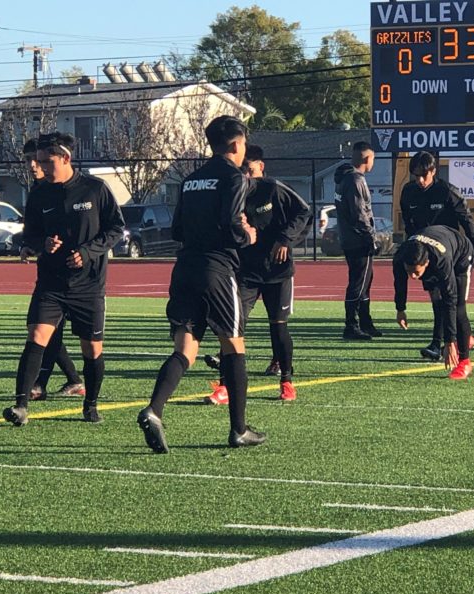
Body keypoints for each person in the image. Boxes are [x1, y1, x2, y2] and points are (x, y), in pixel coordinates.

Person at [137, 116, 264, 454]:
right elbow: (233, 221)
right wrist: (247, 234)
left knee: (185, 349)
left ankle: (154, 409)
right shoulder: (235, 177)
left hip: (185, 268)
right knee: (233, 346)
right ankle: (239, 429)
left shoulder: (190, 179)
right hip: (217, 270)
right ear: (237, 145)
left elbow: (177, 229)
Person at [3, 132, 125, 426]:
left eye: (47, 162)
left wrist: (88, 251)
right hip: (51, 283)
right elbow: (29, 234)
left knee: (92, 349)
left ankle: (90, 404)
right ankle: (20, 406)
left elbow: (116, 229)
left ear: (66, 158)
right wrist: (38, 244)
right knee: (36, 336)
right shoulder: (39, 194)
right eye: (39, 162)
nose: (41, 167)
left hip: (89, 285)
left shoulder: (95, 189)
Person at [204, 144, 312, 405]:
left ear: (260, 168)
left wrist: (285, 240)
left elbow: (303, 212)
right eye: (242, 170)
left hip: (278, 270)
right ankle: (224, 386)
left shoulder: (273, 188)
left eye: (250, 170)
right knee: (233, 328)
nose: (246, 175)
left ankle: (286, 381)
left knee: (278, 326)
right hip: (246, 271)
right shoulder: (234, 192)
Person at [398, 151, 474, 361]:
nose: (419, 180)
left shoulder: (447, 191)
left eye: (423, 175)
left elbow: (467, 221)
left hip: (452, 254)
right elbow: (409, 225)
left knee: (452, 302)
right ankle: (451, 340)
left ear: (433, 172)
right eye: (415, 176)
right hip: (424, 254)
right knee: (437, 300)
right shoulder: (408, 192)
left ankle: (446, 344)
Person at [18, 138, 85, 402]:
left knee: (51, 330)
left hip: (78, 276)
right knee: (45, 329)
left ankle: (42, 383)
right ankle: (70, 379)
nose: (34, 165)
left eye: (40, 160)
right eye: (29, 161)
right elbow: (32, 233)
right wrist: (31, 246)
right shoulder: (38, 191)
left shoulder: (80, 188)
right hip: (49, 272)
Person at [393, 226, 474, 380]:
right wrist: (400, 309)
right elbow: (399, 282)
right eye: (409, 271)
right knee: (437, 304)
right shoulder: (400, 256)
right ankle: (465, 337)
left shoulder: (440, 260)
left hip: (460, 256)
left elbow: (450, 299)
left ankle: (465, 361)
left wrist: (450, 341)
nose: (412, 276)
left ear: (427, 263)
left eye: (416, 272)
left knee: (458, 307)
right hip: (438, 243)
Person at [335, 141, 380, 340]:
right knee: (358, 282)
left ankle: (365, 322)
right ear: (367, 158)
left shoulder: (344, 178)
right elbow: (359, 213)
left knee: (364, 281)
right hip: (358, 240)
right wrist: (371, 237)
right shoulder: (355, 180)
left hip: (349, 237)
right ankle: (351, 325)